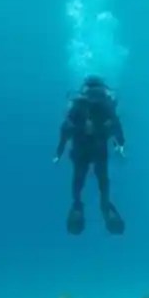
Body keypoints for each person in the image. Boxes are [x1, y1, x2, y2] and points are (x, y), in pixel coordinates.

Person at [54, 75, 126, 235]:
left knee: (79, 180)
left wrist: (59, 152)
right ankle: (105, 206)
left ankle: (78, 205)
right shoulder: (107, 104)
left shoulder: (78, 105)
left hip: (81, 150)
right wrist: (120, 144)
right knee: (103, 181)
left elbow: (65, 128)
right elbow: (116, 126)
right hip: (99, 150)